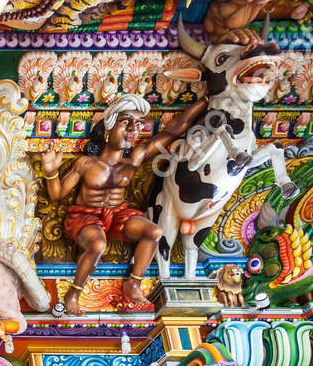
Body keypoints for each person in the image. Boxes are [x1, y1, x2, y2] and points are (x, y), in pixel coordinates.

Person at [39, 94, 204, 315]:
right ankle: (74, 293)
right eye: (126, 122)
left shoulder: (134, 159)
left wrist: (206, 101)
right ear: (107, 130)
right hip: (84, 217)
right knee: (98, 245)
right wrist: (51, 172)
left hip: (117, 216)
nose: (133, 129)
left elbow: (173, 130)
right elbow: (58, 195)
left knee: (154, 231)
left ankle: (133, 284)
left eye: (138, 124)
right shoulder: (86, 163)